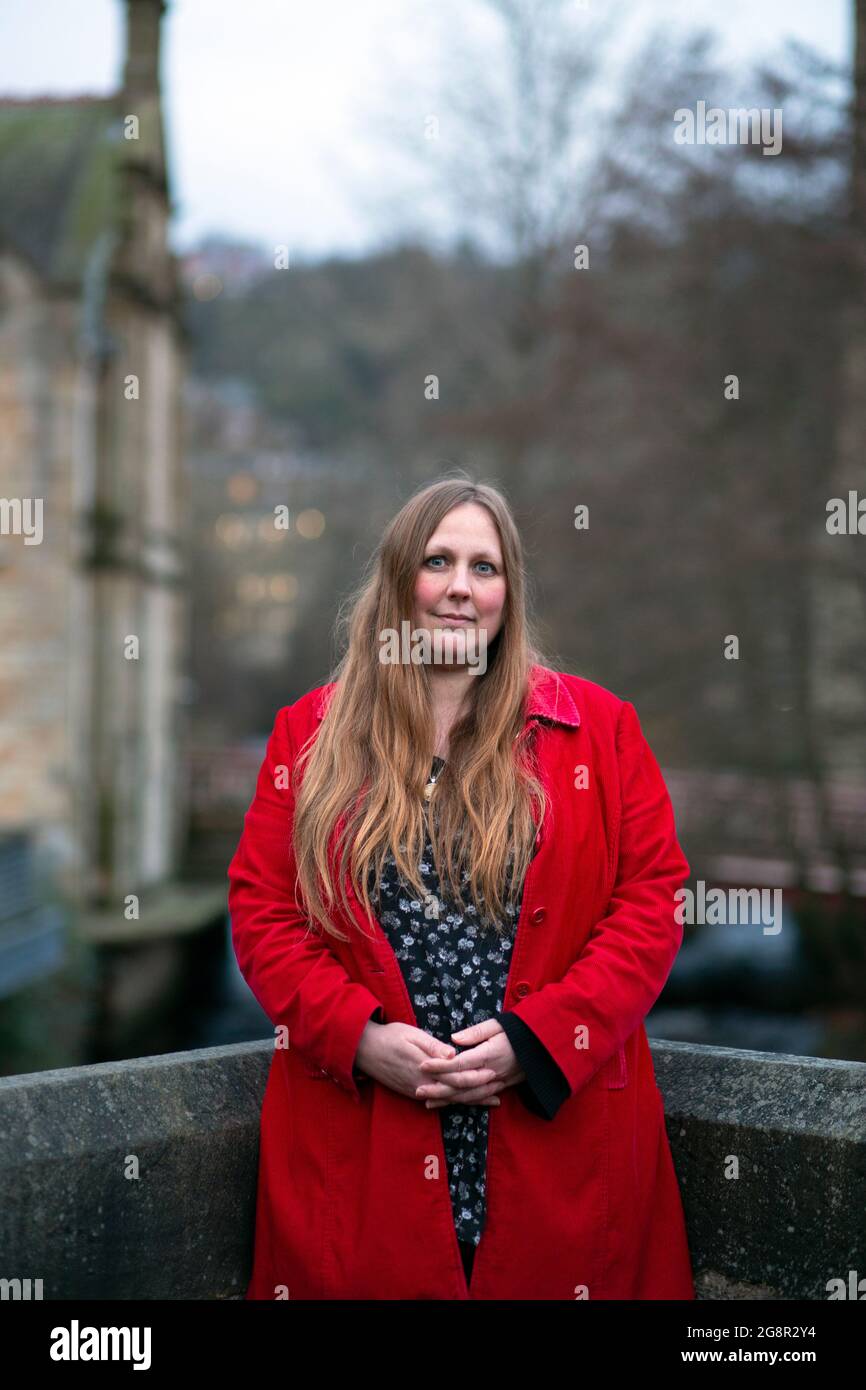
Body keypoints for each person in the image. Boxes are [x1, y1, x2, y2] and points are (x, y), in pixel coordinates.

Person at [227, 476, 695, 1300]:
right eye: (438, 561)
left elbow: (652, 902)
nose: (459, 588)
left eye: (485, 567)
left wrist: (544, 1040)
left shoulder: (601, 728)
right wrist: (357, 1038)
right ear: (399, 579)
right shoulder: (310, 735)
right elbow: (263, 913)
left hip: (558, 1126)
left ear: (508, 595)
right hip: (366, 1131)